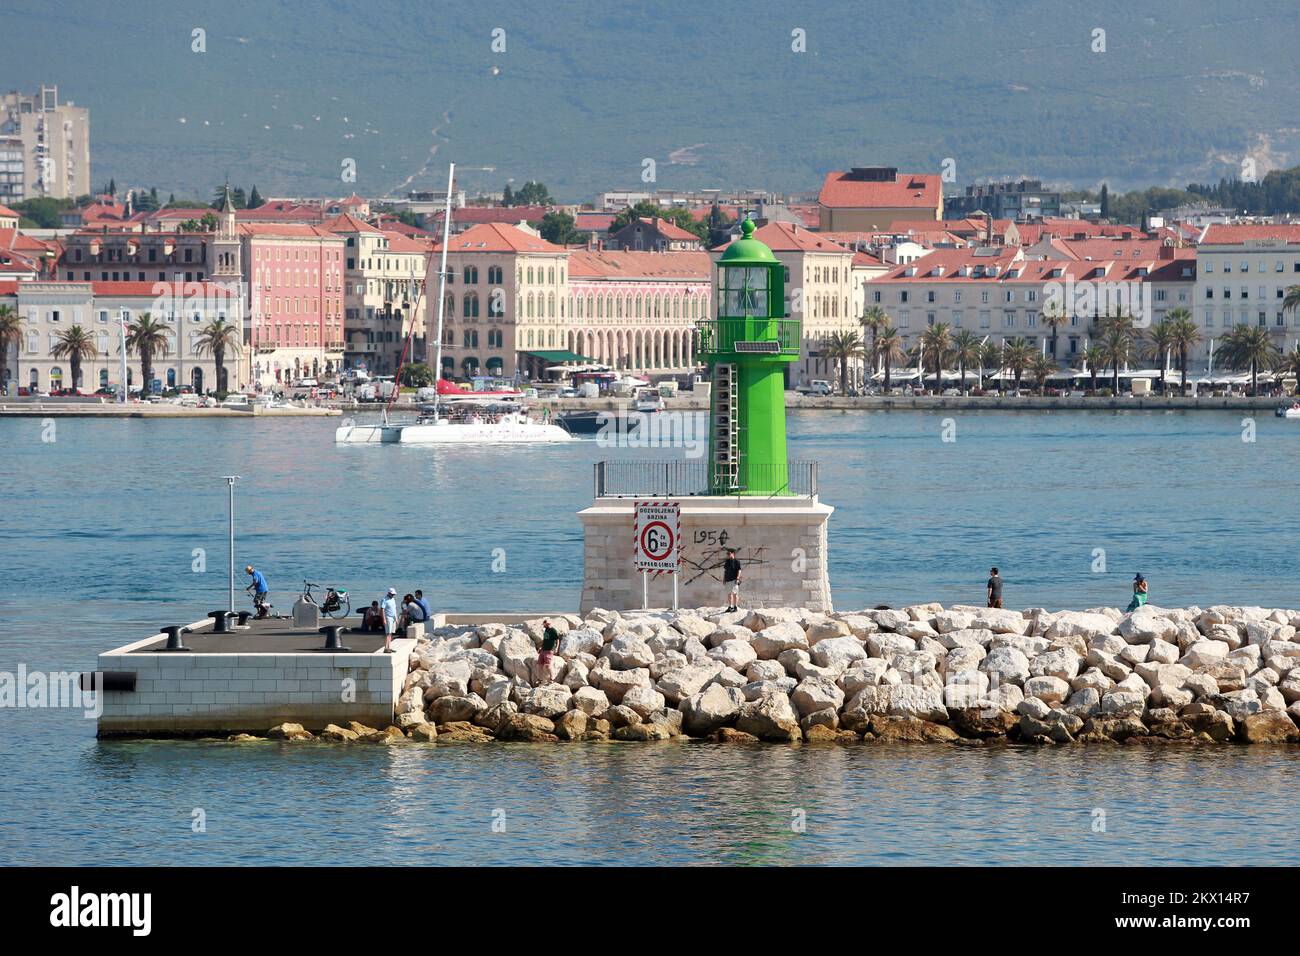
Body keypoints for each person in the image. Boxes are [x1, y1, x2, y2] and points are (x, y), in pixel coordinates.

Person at [535, 619, 560, 683]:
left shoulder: (553, 630)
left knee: (548, 665)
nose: (543, 626)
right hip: (543, 650)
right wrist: (541, 647)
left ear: (547, 624)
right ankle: (539, 679)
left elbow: (557, 640)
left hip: (549, 650)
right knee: (539, 665)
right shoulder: (546, 630)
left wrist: (556, 648)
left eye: (544, 624)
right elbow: (545, 639)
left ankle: (552, 678)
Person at [722, 548, 743, 613]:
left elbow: (739, 571)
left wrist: (737, 578)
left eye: (729, 553)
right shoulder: (727, 561)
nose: (728, 555)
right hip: (728, 579)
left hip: (734, 580)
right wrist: (724, 579)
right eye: (727, 554)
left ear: (733, 553)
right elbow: (725, 571)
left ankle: (735, 606)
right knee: (729, 594)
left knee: (735, 593)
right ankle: (730, 607)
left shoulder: (737, 561)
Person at [381, 587, 399, 652]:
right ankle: (386, 648)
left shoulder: (393, 599)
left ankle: (389, 647)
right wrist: (384, 619)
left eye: (393, 594)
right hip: (388, 617)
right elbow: (382, 609)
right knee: (387, 633)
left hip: (393, 618)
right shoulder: (384, 600)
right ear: (389, 593)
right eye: (392, 594)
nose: (393, 595)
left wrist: (396, 618)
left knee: (391, 633)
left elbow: (395, 608)